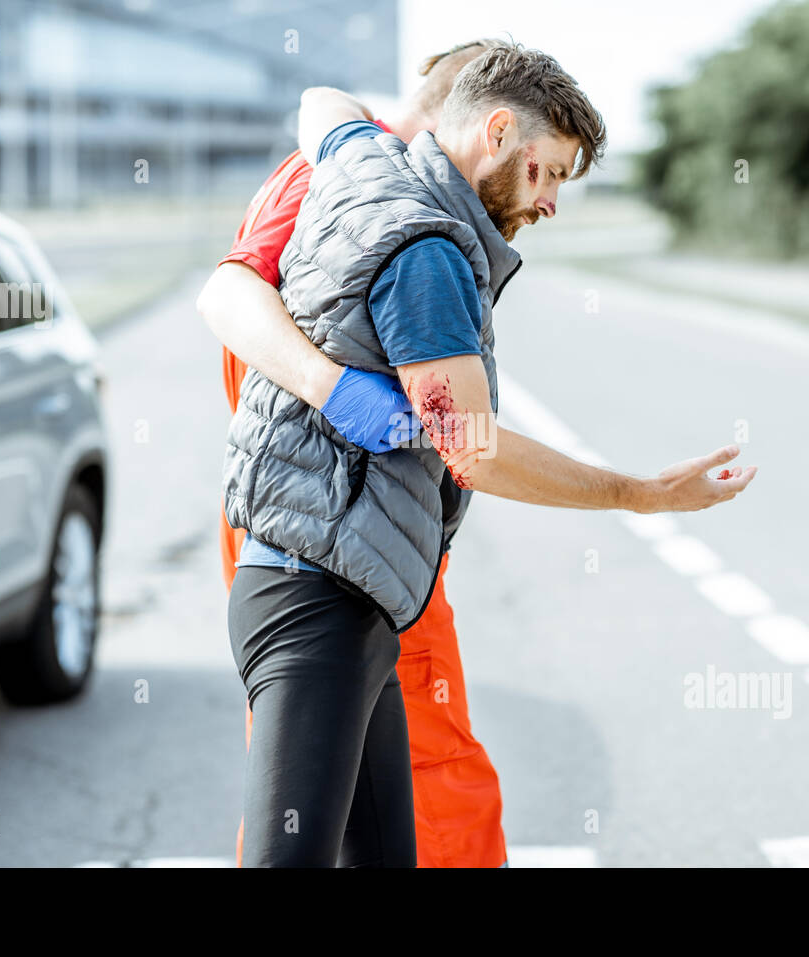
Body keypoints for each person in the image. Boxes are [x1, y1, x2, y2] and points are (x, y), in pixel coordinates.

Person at [217, 41, 757, 867]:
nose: (548, 204)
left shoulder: (367, 168)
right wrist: (637, 492)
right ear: (497, 130)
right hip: (312, 603)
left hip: (353, 602)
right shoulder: (428, 251)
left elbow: (325, 105)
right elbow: (471, 451)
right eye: (545, 172)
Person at [198, 39, 513, 868]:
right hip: (318, 524)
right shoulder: (344, 181)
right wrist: (331, 385)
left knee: (357, 794)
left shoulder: (365, 167)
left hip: (355, 519)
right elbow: (228, 293)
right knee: (414, 776)